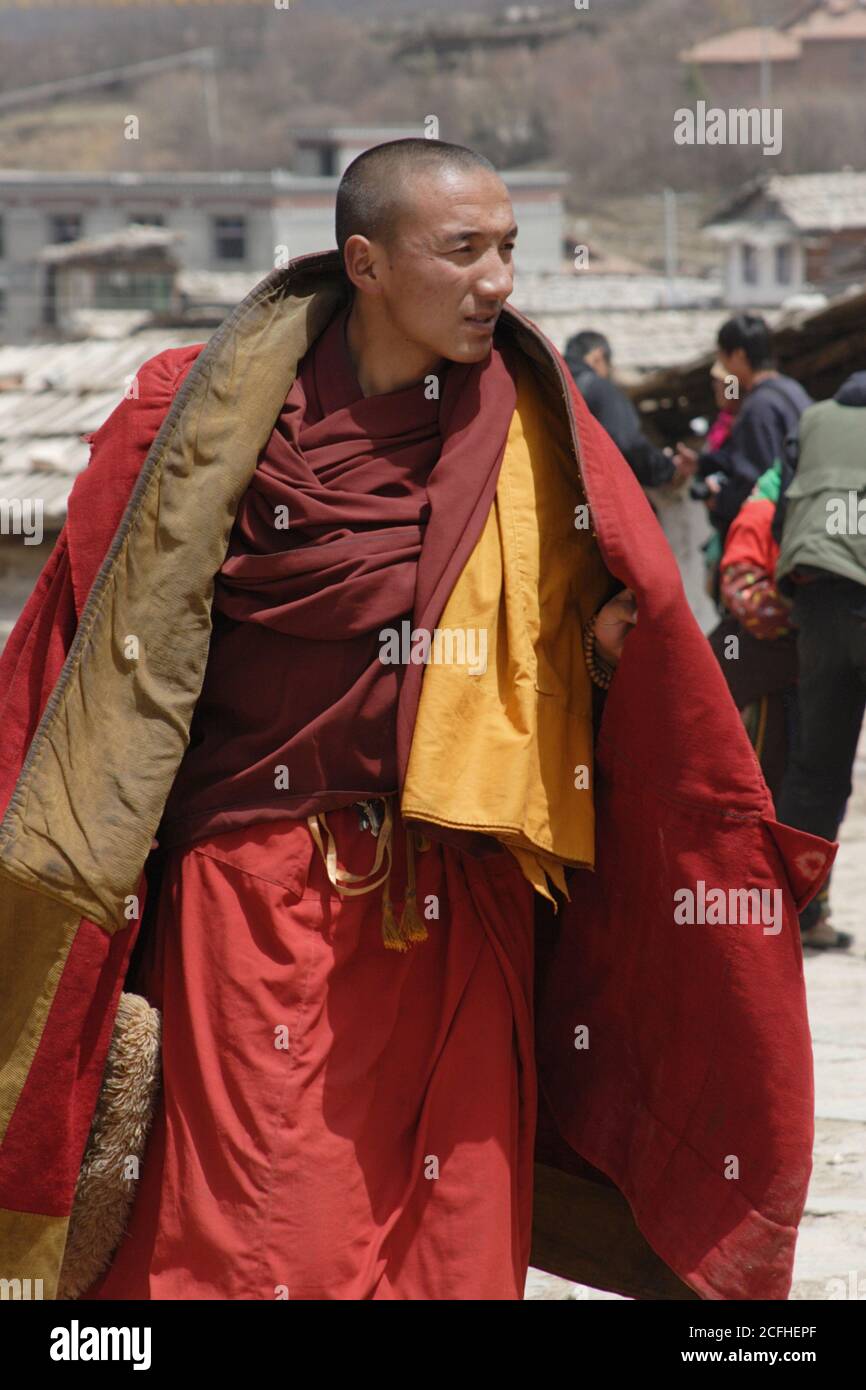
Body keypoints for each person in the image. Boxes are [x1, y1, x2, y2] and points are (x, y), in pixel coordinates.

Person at [0, 139, 834, 1303]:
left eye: (507, 249)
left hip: (457, 900)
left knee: (450, 1241)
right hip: (256, 904)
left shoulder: (540, 439)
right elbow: (76, 671)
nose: (497, 279)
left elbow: (626, 656)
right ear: (366, 261)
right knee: (249, 1234)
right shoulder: (188, 431)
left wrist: (607, 663)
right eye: (462, 251)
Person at [772, 370, 866, 952]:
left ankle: (794, 915)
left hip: (820, 602)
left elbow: (782, 514)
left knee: (816, 774)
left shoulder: (812, 420)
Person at [675, 313, 812, 543]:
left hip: (774, 536)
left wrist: (719, 500)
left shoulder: (756, 407)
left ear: (738, 355)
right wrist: (703, 463)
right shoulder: (793, 391)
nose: (723, 374)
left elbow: (757, 481)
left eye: (723, 360)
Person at [564, 330, 695, 489]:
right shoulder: (598, 388)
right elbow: (627, 442)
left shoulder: (550, 385)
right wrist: (666, 469)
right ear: (598, 357)